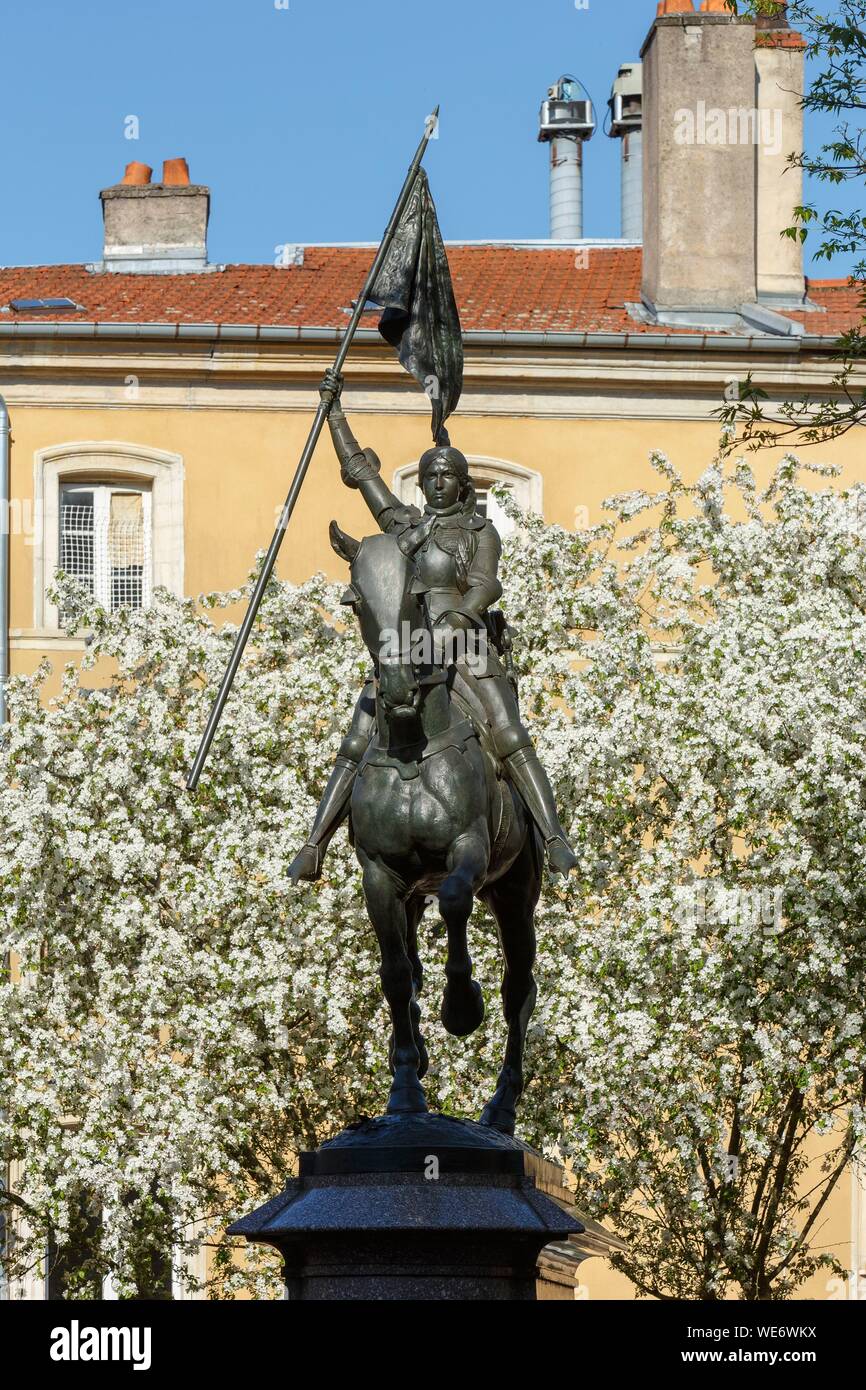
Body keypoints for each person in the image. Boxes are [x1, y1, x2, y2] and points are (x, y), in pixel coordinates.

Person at [288, 368, 578, 882]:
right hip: (408, 643)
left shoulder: (478, 530)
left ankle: (552, 836)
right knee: (358, 736)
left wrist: (457, 620)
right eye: (429, 475)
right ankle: (315, 842)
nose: (437, 482)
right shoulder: (403, 525)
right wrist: (334, 412)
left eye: (447, 475)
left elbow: (487, 585)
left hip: (464, 642)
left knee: (508, 731)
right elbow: (361, 475)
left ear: (462, 484)